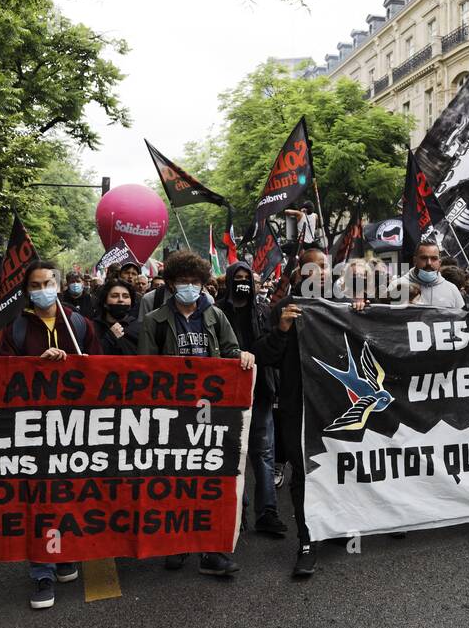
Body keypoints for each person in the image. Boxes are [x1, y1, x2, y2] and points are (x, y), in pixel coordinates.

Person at [138, 251, 255, 577]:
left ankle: (210, 550)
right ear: (172, 283)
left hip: (212, 413)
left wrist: (242, 356)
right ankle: (176, 544)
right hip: (173, 413)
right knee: (176, 480)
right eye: (182, 282)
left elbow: (230, 350)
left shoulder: (215, 316)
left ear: (203, 284)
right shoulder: (155, 322)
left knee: (209, 479)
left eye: (195, 282)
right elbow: (145, 369)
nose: (188, 287)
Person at [0, 259, 101, 609]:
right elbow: (2, 377)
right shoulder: (14, 330)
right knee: (40, 499)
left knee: (72, 491)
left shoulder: (80, 324)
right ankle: (42, 571)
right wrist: (34, 365)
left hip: (76, 427)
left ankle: (66, 551)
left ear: (59, 284)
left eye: (48, 283)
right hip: (34, 429)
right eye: (36, 285)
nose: (43, 290)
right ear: (27, 290)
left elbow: (101, 370)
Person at [256, 247, 328, 577]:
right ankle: (307, 540)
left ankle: (337, 527)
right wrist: (282, 329)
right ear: (301, 274)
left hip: (336, 407)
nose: (322, 273)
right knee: (303, 473)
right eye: (315, 267)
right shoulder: (285, 309)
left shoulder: (343, 306)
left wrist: (361, 311)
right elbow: (264, 357)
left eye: (326, 267)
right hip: (297, 407)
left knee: (335, 468)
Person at [217, 261, 286, 537]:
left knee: (264, 453)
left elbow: (271, 348)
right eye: (238, 277)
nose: (243, 281)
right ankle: (238, 509)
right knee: (233, 454)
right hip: (227, 393)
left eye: (247, 277)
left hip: (260, 392)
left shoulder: (262, 310)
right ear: (230, 280)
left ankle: (267, 513)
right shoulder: (217, 312)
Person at [392, 240, 466, 308]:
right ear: (415, 261)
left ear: (439, 262)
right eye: (424, 258)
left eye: (434, 258)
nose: (429, 263)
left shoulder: (452, 290)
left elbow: (462, 319)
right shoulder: (396, 286)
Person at [92, 279, 141, 355]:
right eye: (115, 296)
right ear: (105, 302)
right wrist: (110, 337)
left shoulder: (139, 327)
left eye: (126, 296)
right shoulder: (92, 327)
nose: (121, 300)